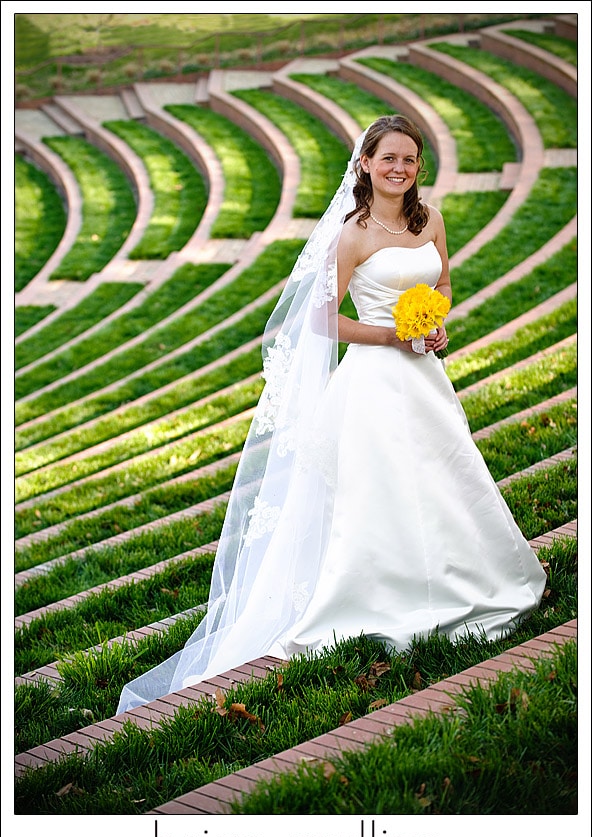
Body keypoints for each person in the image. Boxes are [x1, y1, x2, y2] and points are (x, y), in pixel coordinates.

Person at [117, 115, 546, 714]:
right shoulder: (354, 234)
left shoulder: (430, 219)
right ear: (365, 163)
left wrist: (434, 322)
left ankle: (466, 575)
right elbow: (322, 318)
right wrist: (391, 334)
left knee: (445, 472)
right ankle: (384, 593)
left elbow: (443, 283)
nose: (400, 168)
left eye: (410, 159)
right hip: (375, 379)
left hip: (424, 374)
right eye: (388, 157)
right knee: (382, 487)